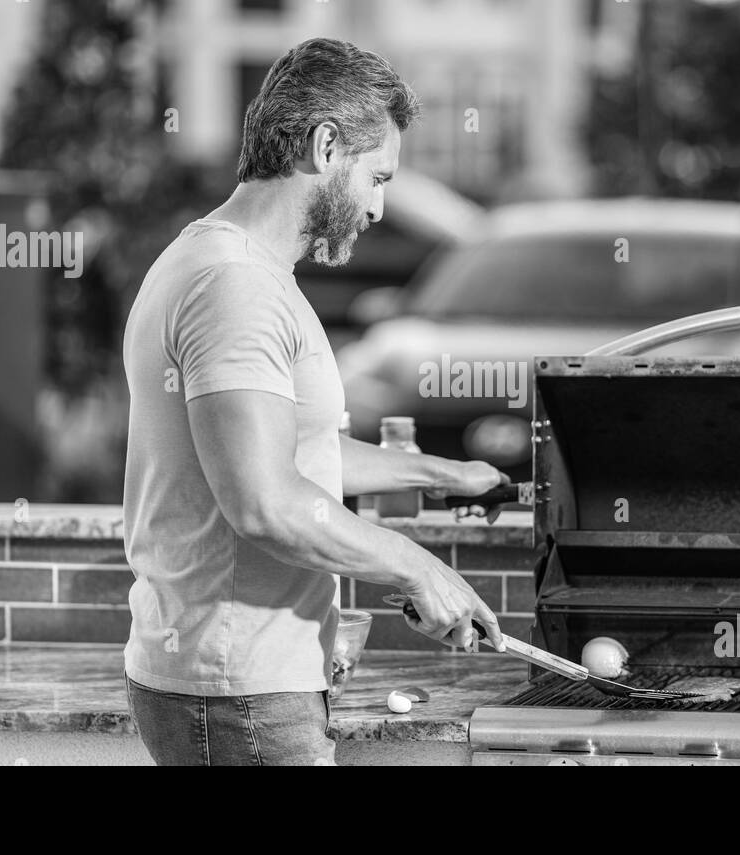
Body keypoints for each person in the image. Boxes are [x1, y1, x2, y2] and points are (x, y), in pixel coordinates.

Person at [120, 37, 508, 766]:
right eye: (377, 177)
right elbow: (265, 501)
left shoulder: (227, 264)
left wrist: (443, 475)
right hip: (239, 692)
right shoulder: (232, 284)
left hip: (235, 682)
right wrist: (417, 567)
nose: (378, 207)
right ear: (327, 145)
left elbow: (294, 453)